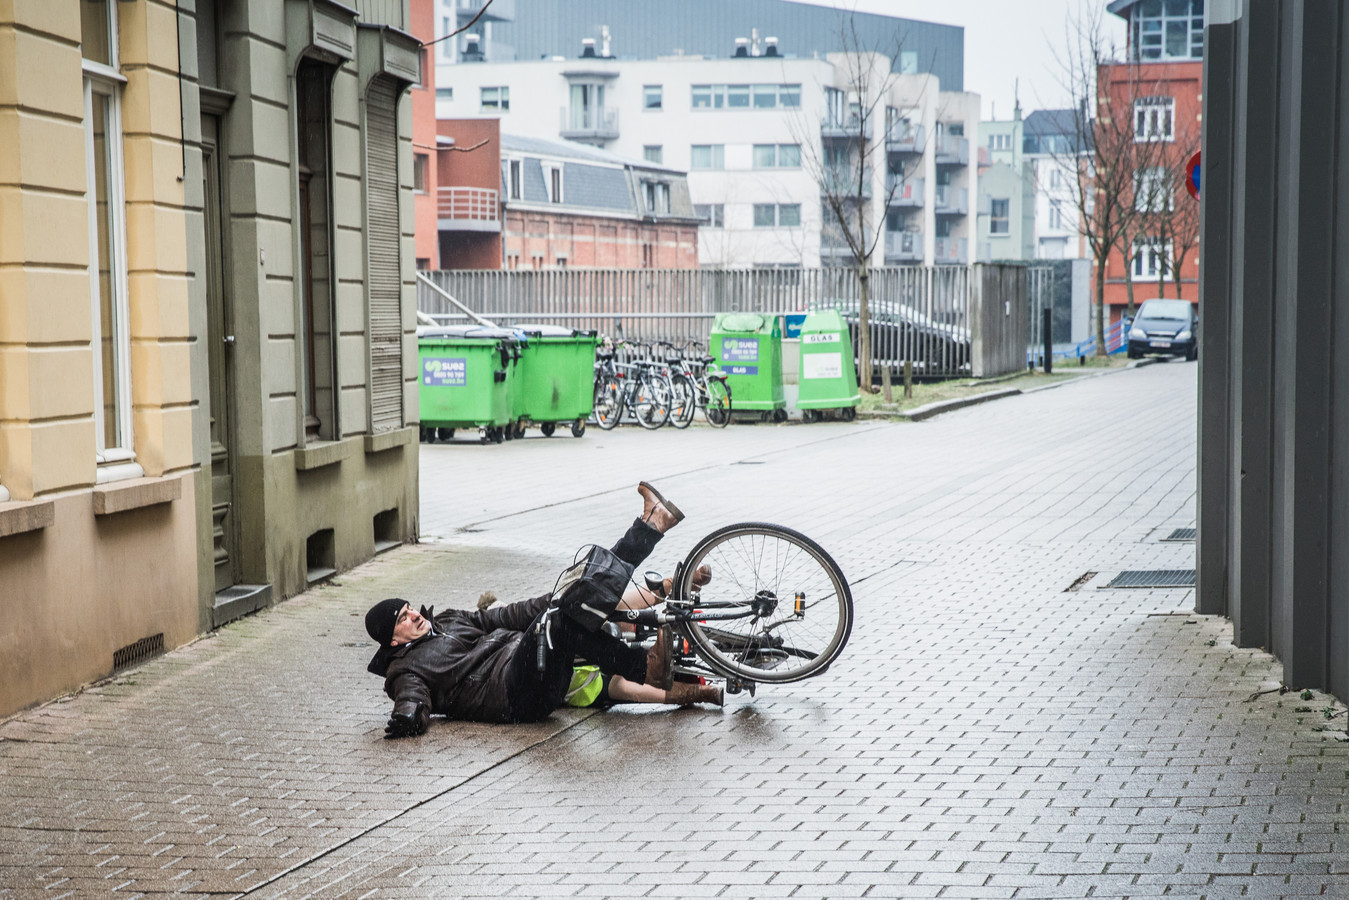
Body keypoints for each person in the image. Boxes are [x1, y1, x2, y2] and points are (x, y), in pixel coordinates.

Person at [366, 482, 722, 739]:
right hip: (516, 695)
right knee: (558, 621)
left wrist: (558, 592)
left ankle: (650, 526)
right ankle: (645, 666)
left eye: (410, 608)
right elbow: (411, 698)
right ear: (393, 641)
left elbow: (502, 617)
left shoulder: (447, 620)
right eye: (403, 618)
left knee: (571, 597)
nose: (414, 615)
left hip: (530, 665)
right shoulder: (405, 669)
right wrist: (408, 716)